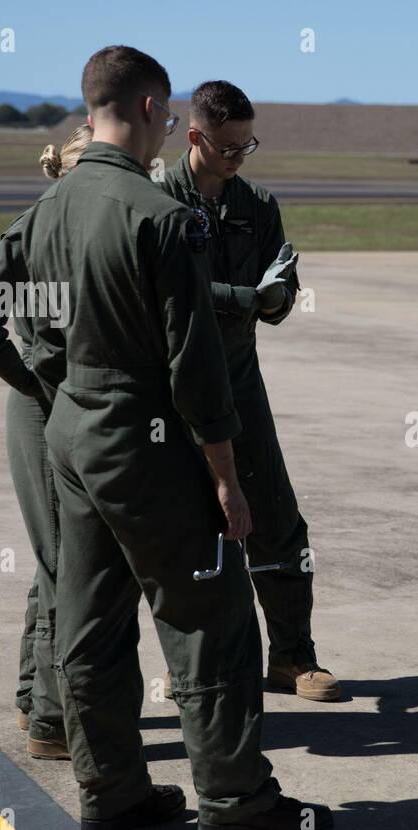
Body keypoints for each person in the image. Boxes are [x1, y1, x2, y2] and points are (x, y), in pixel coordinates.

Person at [7, 45, 330, 830]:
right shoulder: (160, 213)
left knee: (90, 626)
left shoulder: (52, 205)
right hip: (149, 440)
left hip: (73, 438)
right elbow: (192, 368)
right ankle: (235, 802)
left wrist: (56, 384)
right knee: (210, 623)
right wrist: (224, 478)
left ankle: (112, 797)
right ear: (158, 112)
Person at [158, 80, 339, 702]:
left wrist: (281, 294)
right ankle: (176, 670)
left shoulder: (257, 204)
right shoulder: (157, 201)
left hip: (238, 383)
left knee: (278, 520)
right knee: (162, 529)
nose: (238, 157)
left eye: (248, 145)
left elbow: (281, 290)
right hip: (169, 389)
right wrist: (244, 299)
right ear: (195, 137)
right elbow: (166, 296)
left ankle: (292, 657)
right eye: (228, 146)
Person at [0, 123, 92, 761]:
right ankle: (53, 724)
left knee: (54, 561)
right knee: (69, 568)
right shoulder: (35, 229)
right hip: (43, 410)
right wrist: (28, 375)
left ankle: (34, 695)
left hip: (74, 408)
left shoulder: (93, 227)